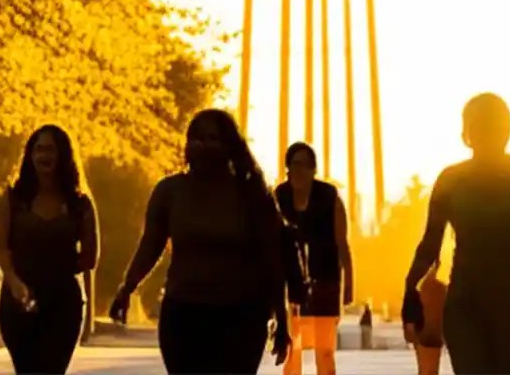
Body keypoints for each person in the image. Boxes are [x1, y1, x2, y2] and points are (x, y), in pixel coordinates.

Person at [402, 93, 510, 374]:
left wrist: (410, 295)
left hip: (491, 307)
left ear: (465, 134)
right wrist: (411, 295)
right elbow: (430, 246)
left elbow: (429, 247)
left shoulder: (457, 180)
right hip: (506, 308)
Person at [109, 109, 290, 374]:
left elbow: (272, 259)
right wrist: (127, 287)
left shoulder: (251, 195)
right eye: (196, 138)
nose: (202, 145)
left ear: (229, 146)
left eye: (212, 138)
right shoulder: (170, 192)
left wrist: (281, 318)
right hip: (184, 314)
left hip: (240, 317)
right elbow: (151, 245)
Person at [0, 124, 99, 375]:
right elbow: (0, 248)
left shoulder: (79, 203)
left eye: (51, 150)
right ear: (30, 156)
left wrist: (60, 274)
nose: (44, 156)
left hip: (63, 304)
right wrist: (14, 281)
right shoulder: (13, 198)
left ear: (64, 155)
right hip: (19, 299)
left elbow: (90, 258)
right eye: (39, 149)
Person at [275, 142, 352, 375]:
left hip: (325, 282)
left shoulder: (329, 197)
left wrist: (349, 283)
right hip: (292, 285)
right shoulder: (280, 197)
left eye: (307, 165)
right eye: (296, 164)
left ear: (313, 170)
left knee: (325, 350)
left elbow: (342, 242)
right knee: (292, 349)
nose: (300, 170)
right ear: (288, 168)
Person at [406, 259, 447, 375]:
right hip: (435, 334)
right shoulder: (441, 288)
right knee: (432, 369)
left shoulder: (424, 288)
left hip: (425, 334)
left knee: (425, 369)